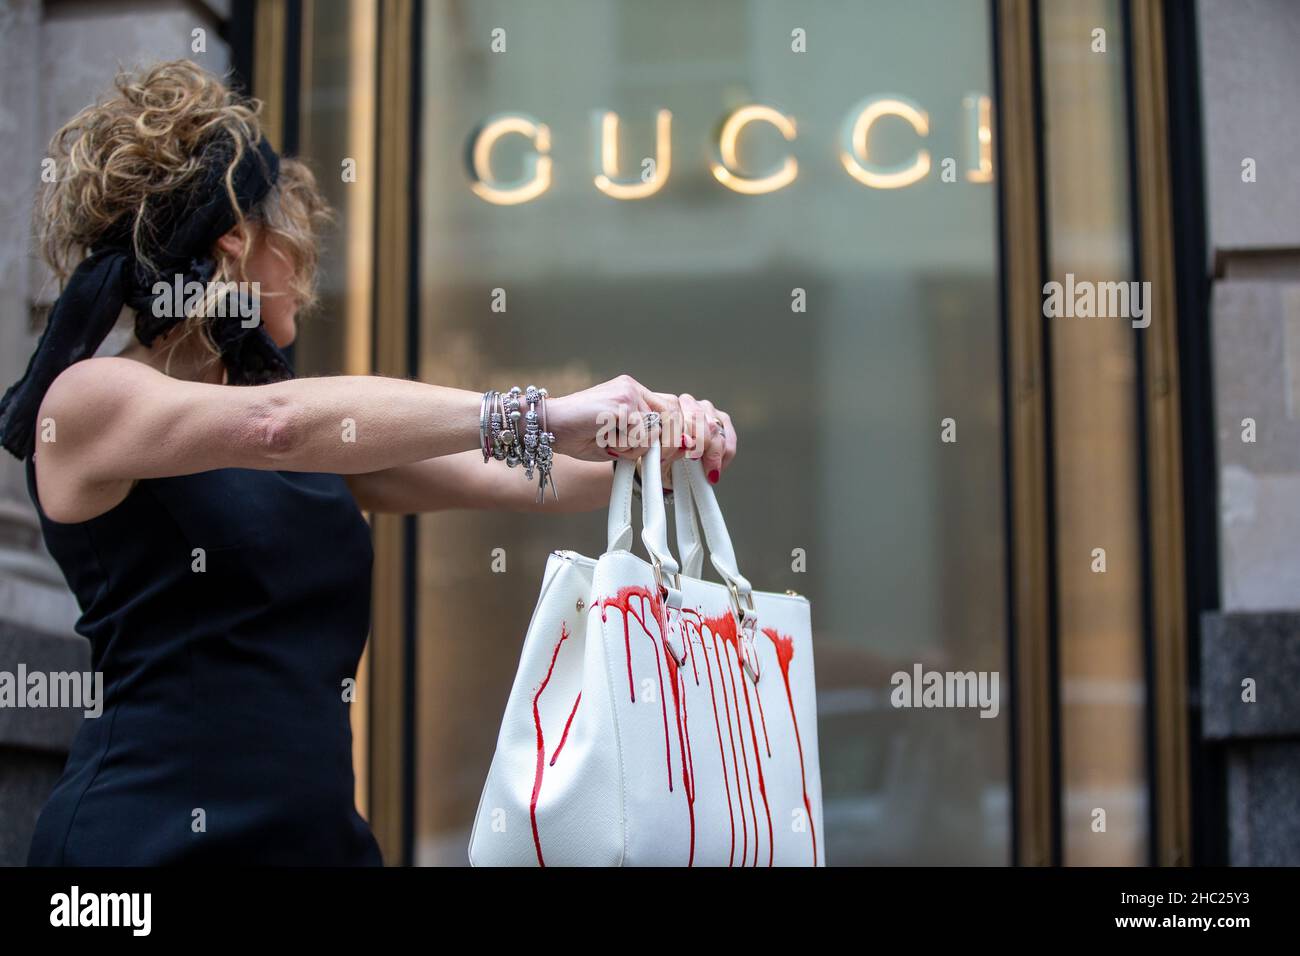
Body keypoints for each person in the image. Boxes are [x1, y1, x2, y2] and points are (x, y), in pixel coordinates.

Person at [1, 60, 736, 865]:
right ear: (237, 240)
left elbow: (528, 480)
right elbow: (273, 426)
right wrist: (545, 411)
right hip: (141, 845)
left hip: (315, 844)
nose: (306, 271)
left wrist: (660, 455)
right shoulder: (92, 398)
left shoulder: (321, 442)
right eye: (295, 240)